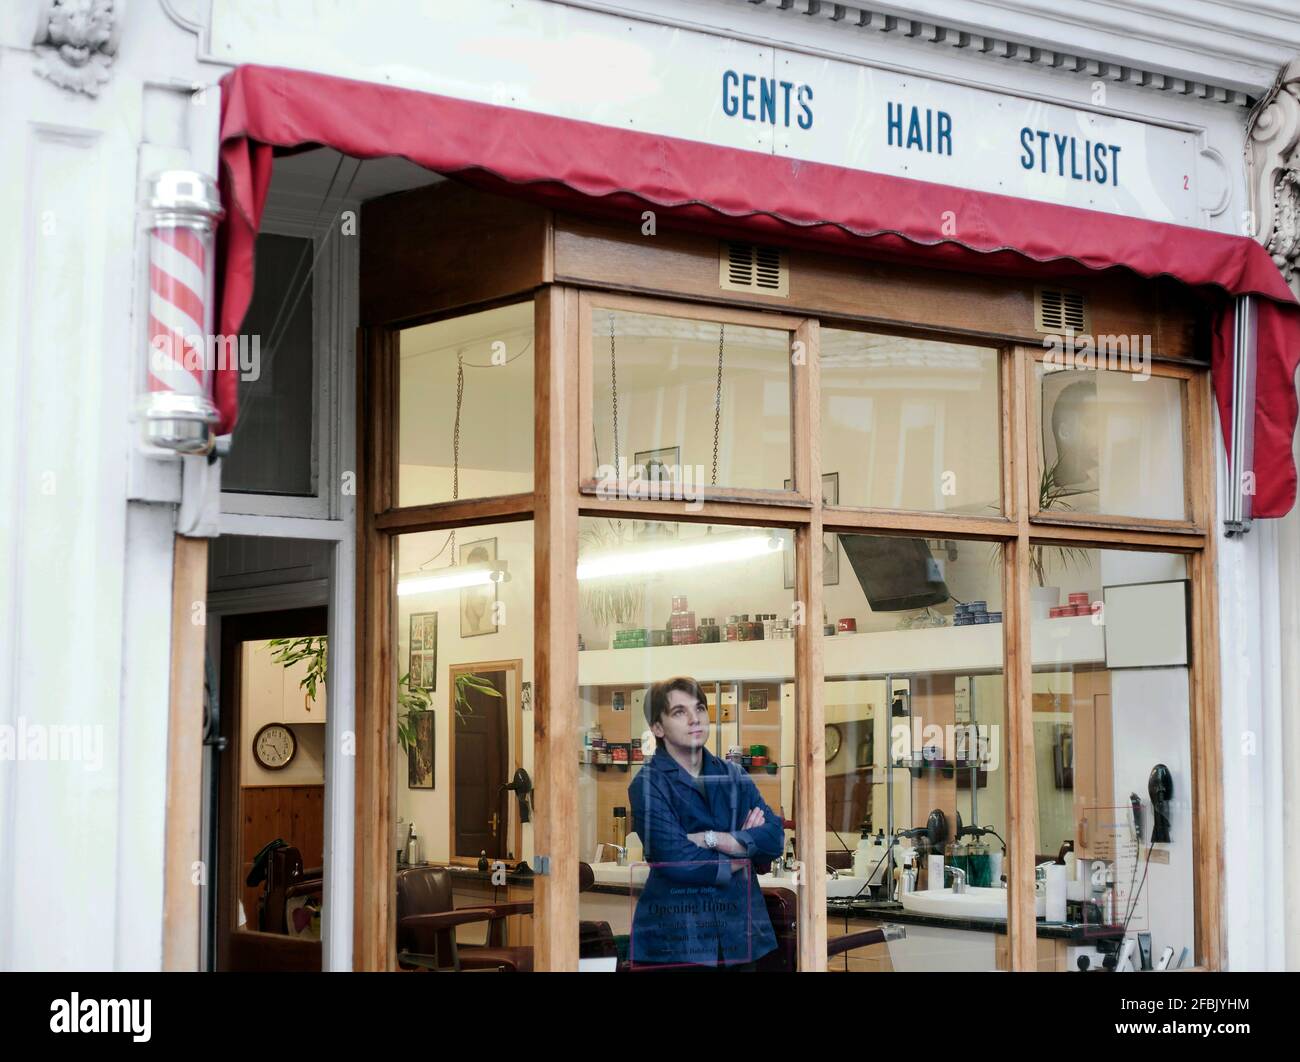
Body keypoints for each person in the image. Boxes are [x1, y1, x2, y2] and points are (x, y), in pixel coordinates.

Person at [628, 676, 785, 969]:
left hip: (741, 937)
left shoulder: (734, 775)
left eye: (699, 708)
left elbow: (775, 838)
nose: (694, 719)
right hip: (678, 942)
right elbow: (679, 861)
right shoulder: (648, 785)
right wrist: (745, 851)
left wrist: (716, 839)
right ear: (658, 728)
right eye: (679, 712)